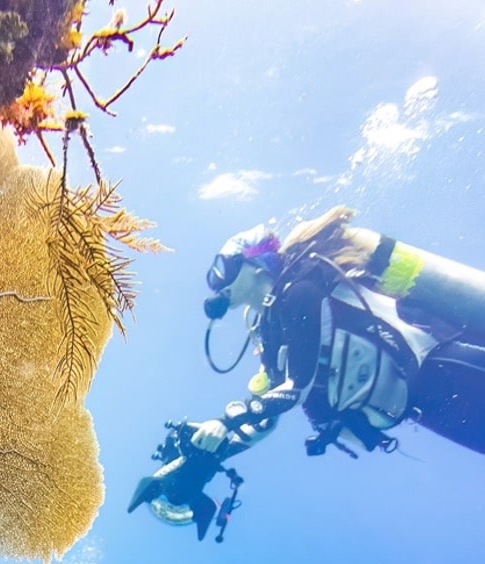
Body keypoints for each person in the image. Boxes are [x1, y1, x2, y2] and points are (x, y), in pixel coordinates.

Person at [131, 207, 485, 538]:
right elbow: (264, 417)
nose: (217, 283)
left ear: (253, 264)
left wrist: (226, 421)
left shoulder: (300, 290)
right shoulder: (271, 339)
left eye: (223, 268)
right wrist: (206, 456)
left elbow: (295, 386)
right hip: (426, 407)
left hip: (446, 369)